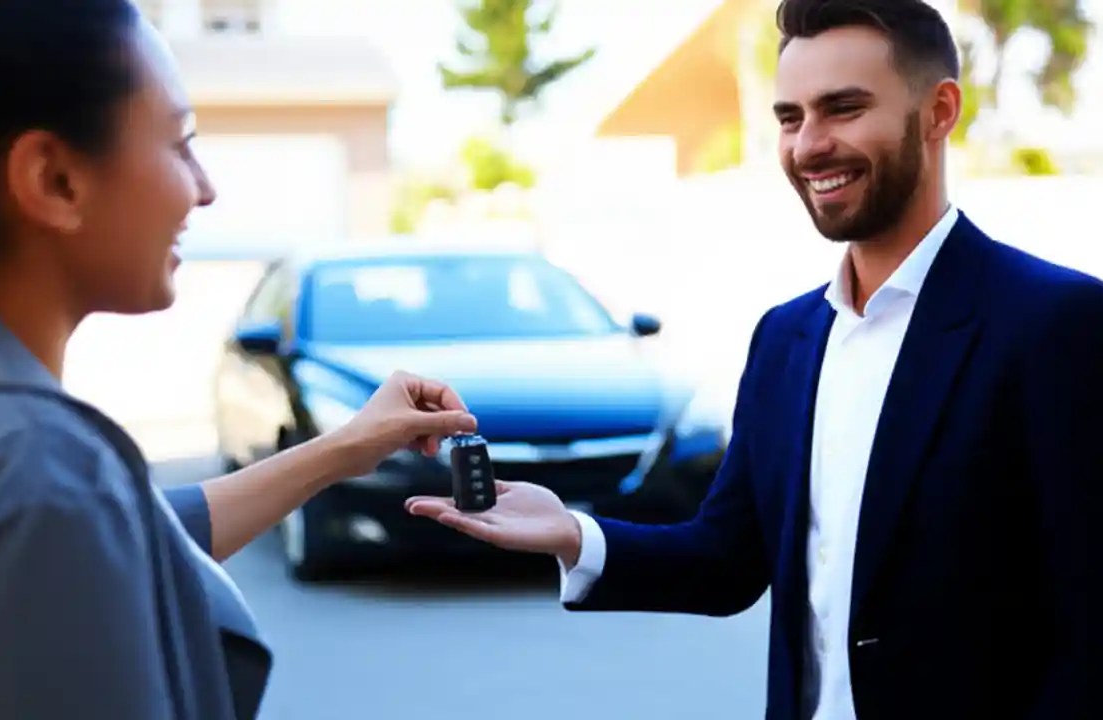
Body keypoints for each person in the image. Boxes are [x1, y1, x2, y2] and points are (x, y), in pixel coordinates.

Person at [407, 1, 1101, 718]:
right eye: (790, 117)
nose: (809, 146)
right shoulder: (785, 338)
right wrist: (572, 532)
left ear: (940, 111)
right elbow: (727, 560)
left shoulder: (1055, 324)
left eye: (843, 109)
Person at [0, 2, 478, 718]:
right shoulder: (36, 475)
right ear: (53, 180)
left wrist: (343, 448)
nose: (204, 188)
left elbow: (133, 535)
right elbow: (78, 521)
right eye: (179, 143)